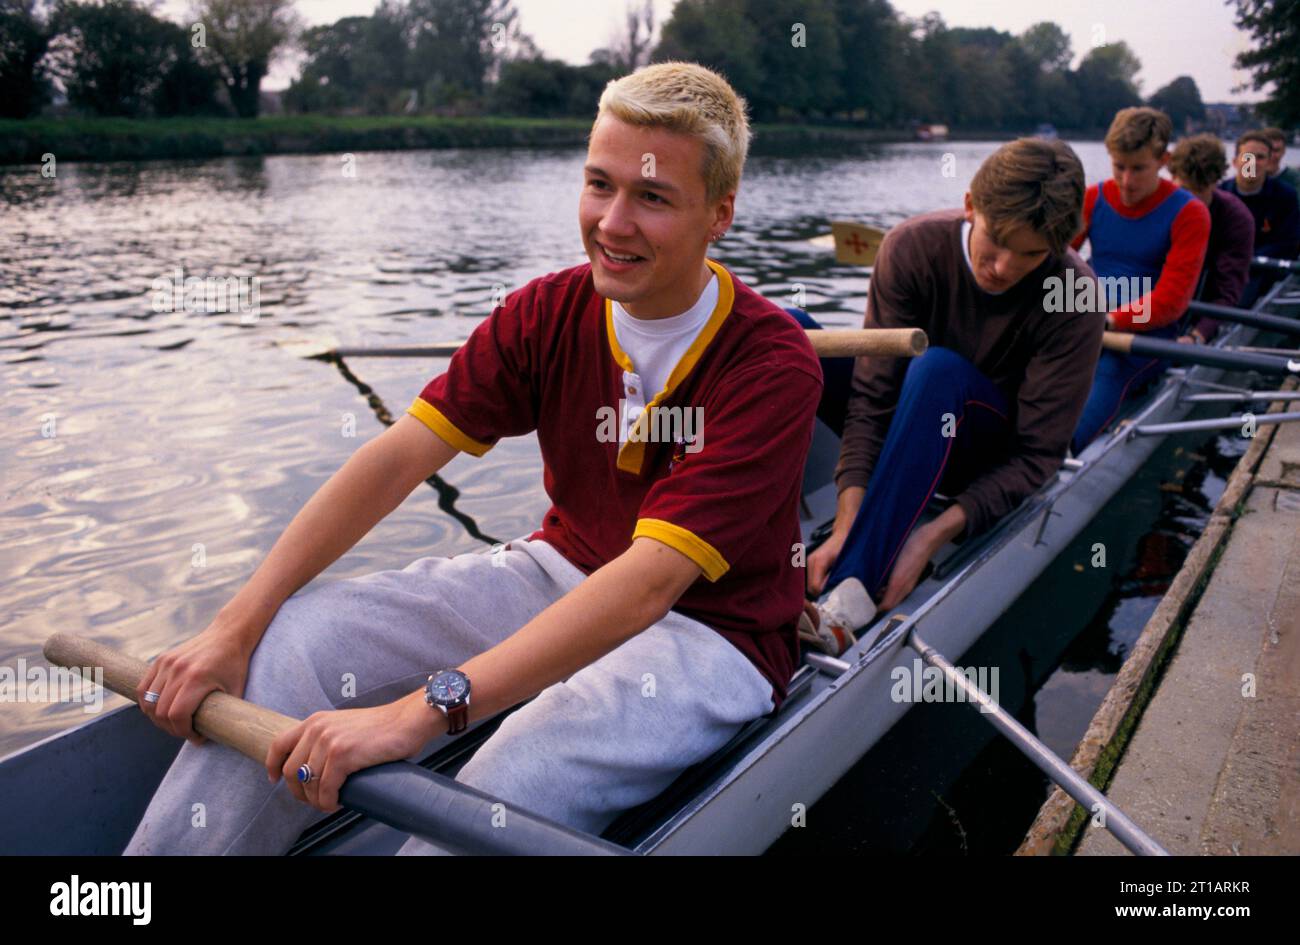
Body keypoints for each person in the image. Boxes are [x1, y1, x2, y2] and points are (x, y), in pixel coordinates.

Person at [123, 62, 823, 855]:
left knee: (518, 767)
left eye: (653, 197)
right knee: (298, 639)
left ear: (720, 213)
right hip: (562, 568)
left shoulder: (772, 364)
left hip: (710, 635)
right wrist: (233, 626)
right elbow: (395, 461)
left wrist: (418, 712)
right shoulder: (547, 311)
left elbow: (649, 586)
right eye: (600, 184)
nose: (613, 223)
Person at [800, 138, 1101, 651]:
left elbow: (1038, 456)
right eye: (997, 240)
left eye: (1030, 254)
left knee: (936, 369)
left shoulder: (1075, 294)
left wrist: (932, 535)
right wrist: (847, 520)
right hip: (910, 411)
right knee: (792, 336)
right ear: (969, 206)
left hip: (981, 447)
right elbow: (872, 401)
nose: (1004, 267)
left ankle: (844, 602)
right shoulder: (911, 248)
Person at [1069, 107, 1210, 453]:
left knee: (1107, 370)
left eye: (1138, 169)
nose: (1126, 182)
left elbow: (1171, 302)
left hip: (1145, 335)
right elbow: (1049, 263)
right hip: (1085, 318)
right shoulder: (1091, 199)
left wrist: (1110, 320)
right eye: (1119, 166)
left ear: (1164, 160)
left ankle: (1063, 451)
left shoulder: (1190, 213)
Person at [1167, 133, 1254, 344]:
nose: (1190, 202)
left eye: (1199, 192)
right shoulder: (1157, 204)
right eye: (1185, 191)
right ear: (1172, 178)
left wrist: (1198, 335)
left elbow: (1227, 290)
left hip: (1203, 297)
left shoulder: (1237, 219)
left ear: (1215, 183)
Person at [1219, 130, 1300, 307]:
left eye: (1260, 157)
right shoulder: (1219, 194)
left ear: (1269, 162)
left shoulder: (1285, 196)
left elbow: (1288, 243)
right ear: (1235, 162)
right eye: (1247, 157)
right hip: (1223, 266)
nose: (1252, 163)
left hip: (1262, 271)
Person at [1260, 126, 1300, 192]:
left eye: (1276, 150)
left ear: (1283, 151)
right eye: (1267, 150)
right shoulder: (1247, 179)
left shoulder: (1296, 179)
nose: (1271, 155)